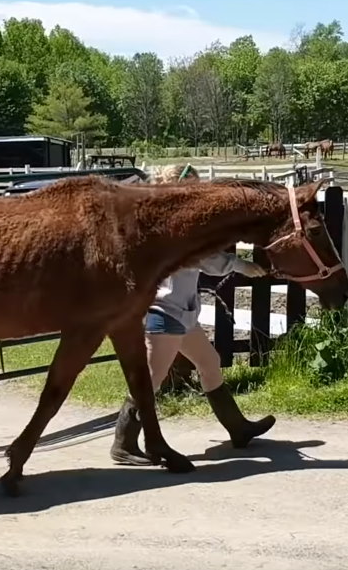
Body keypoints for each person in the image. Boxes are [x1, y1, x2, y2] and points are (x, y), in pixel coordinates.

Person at [110, 164, 277, 466]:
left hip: (182, 313)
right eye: (194, 188)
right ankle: (123, 443)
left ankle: (238, 429)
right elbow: (204, 258)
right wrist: (240, 266)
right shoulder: (169, 224)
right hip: (164, 312)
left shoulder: (178, 221)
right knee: (150, 380)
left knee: (209, 362)